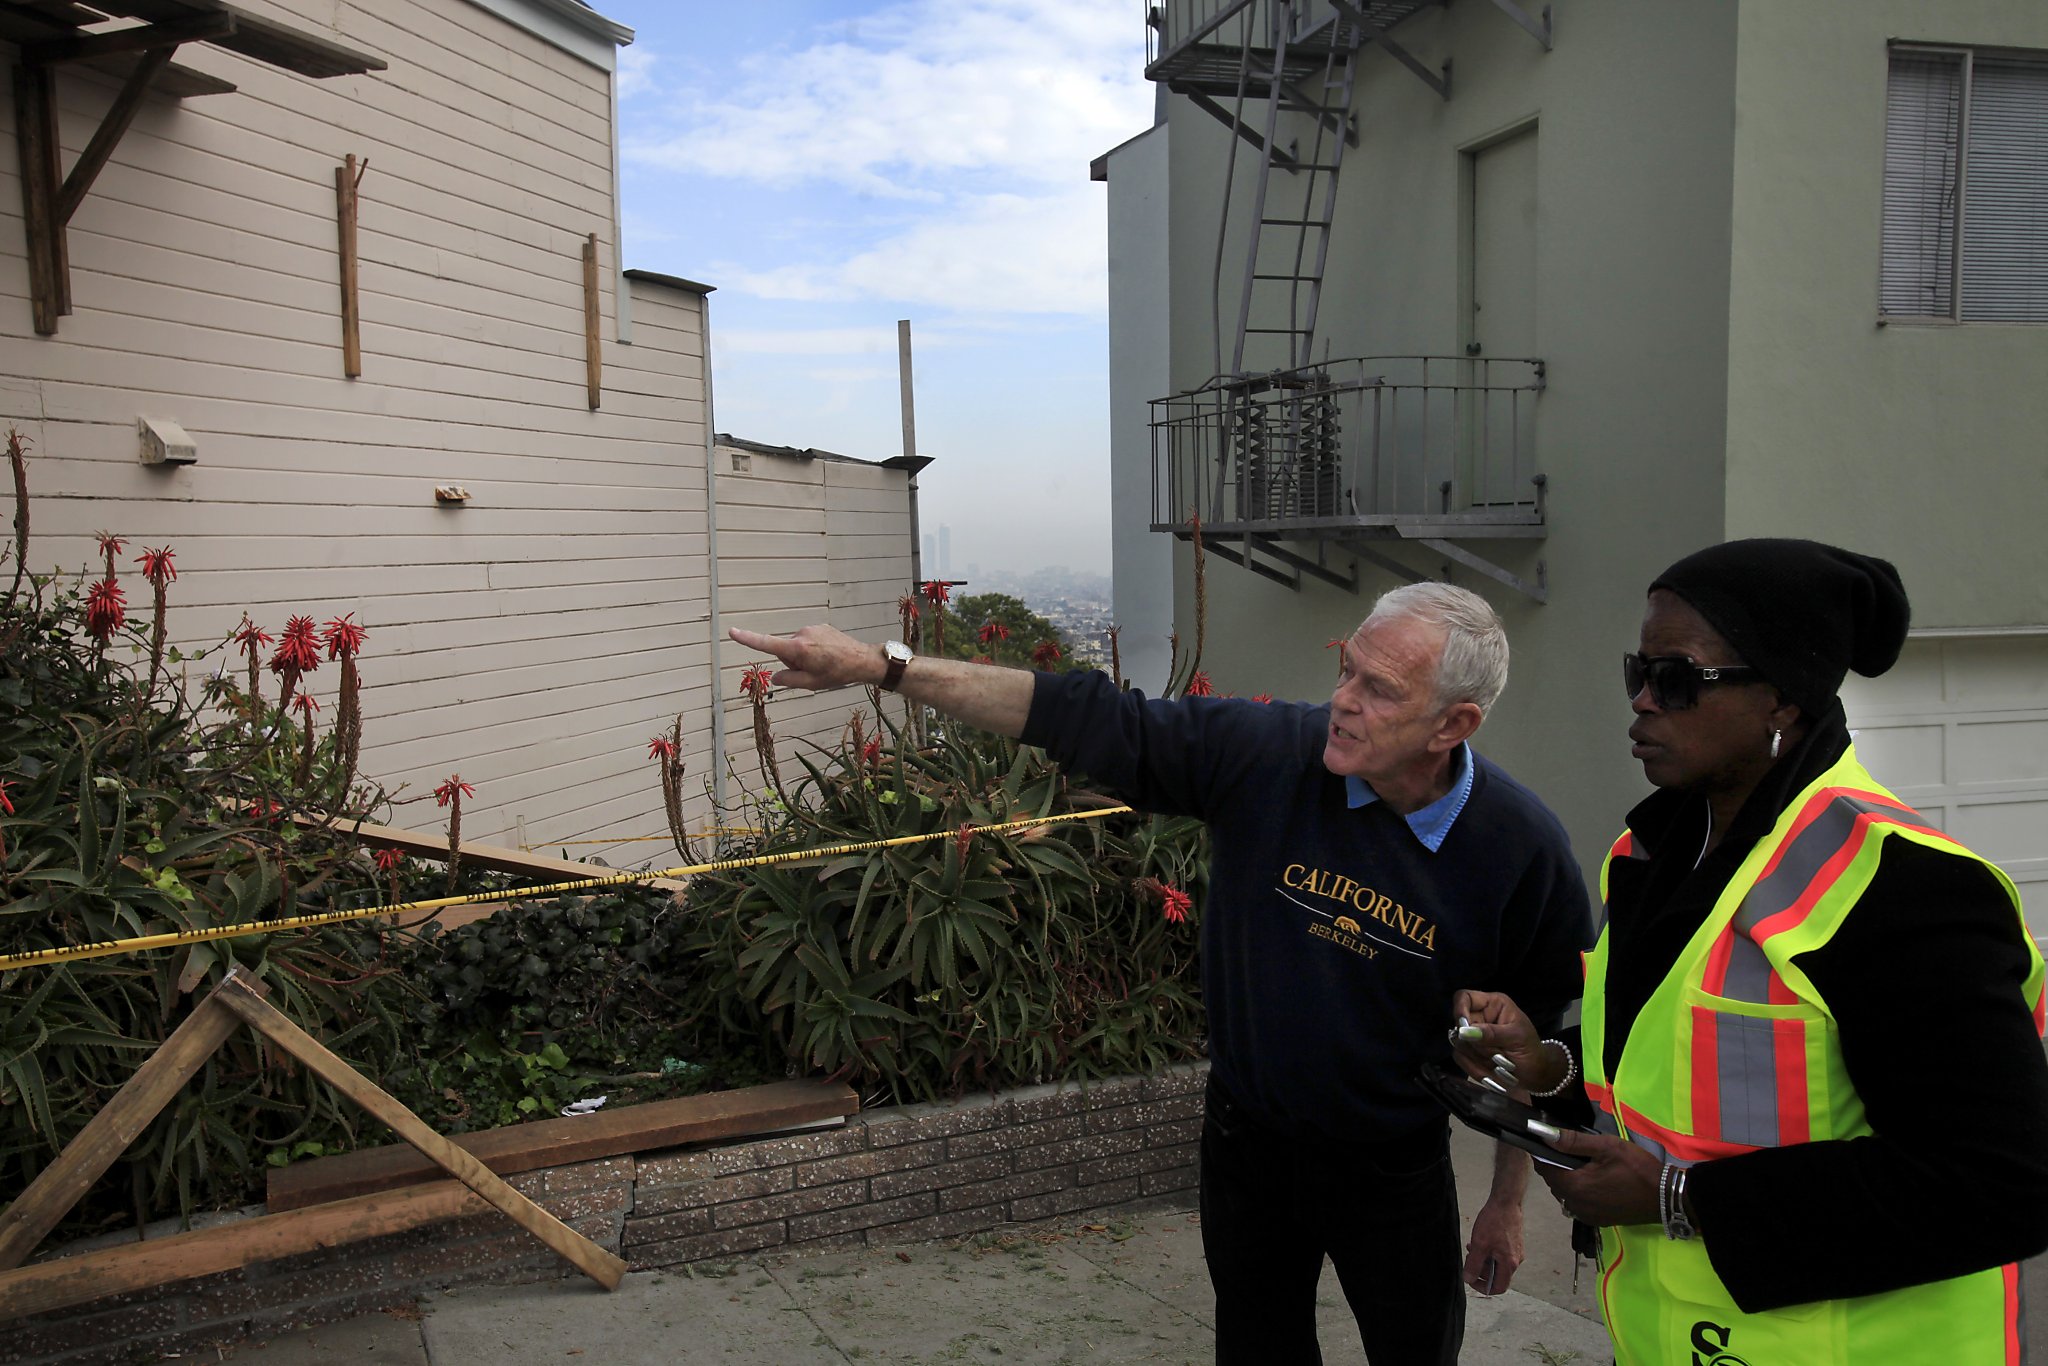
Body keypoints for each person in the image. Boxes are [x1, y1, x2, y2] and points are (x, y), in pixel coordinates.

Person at [734, 582, 1593, 1365]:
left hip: (1392, 1168)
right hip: (1245, 1146)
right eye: (1347, 671)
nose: (1343, 702)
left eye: (1380, 690)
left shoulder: (1519, 851)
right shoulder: (1267, 756)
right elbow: (1086, 715)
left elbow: (1544, 1041)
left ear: (1454, 725)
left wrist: (1507, 1201)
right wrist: (883, 667)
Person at [1454, 539, 2048, 1365]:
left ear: (1782, 699)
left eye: (1677, 679)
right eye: (1638, 670)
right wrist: (1548, 1069)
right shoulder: (1650, 855)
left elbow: (2002, 1185)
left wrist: (1677, 1197)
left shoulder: (1906, 888)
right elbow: (1664, 1088)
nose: (1641, 704)